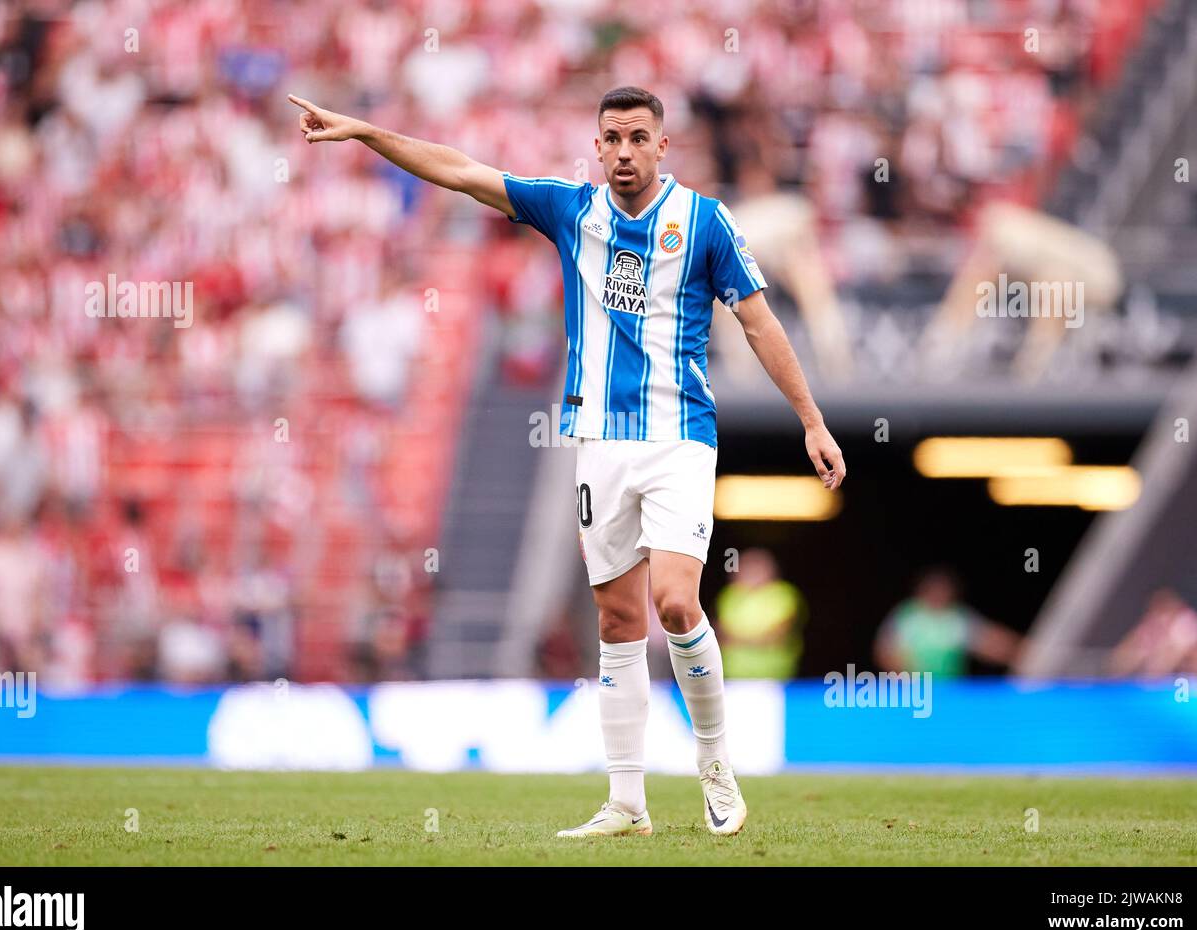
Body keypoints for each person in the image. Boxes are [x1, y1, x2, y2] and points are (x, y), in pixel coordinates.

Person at [288, 85, 845, 837]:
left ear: (662, 146)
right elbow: (458, 170)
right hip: (597, 443)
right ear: (597, 145)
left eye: (637, 138)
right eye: (610, 138)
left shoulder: (705, 223)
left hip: (680, 435)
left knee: (676, 603)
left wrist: (811, 420)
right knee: (616, 620)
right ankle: (626, 802)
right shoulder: (570, 210)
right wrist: (363, 133)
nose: (622, 152)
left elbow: (758, 321)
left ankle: (715, 766)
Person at [874, 568, 1022, 677]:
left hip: (950, 692)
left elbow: (993, 643)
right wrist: (910, 672)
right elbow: (884, 652)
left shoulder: (957, 617)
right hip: (913, 691)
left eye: (943, 591)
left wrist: (1023, 651)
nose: (938, 596)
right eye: (934, 591)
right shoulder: (907, 616)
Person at [715, 548, 806, 678]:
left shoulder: (784, 594)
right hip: (733, 675)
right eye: (745, 566)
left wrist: (737, 640)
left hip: (774, 676)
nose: (749, 572)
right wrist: (755, 640)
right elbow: (718, 633)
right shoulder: (729, 595)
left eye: (755, 567)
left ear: (770, 570)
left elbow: (778, 636)